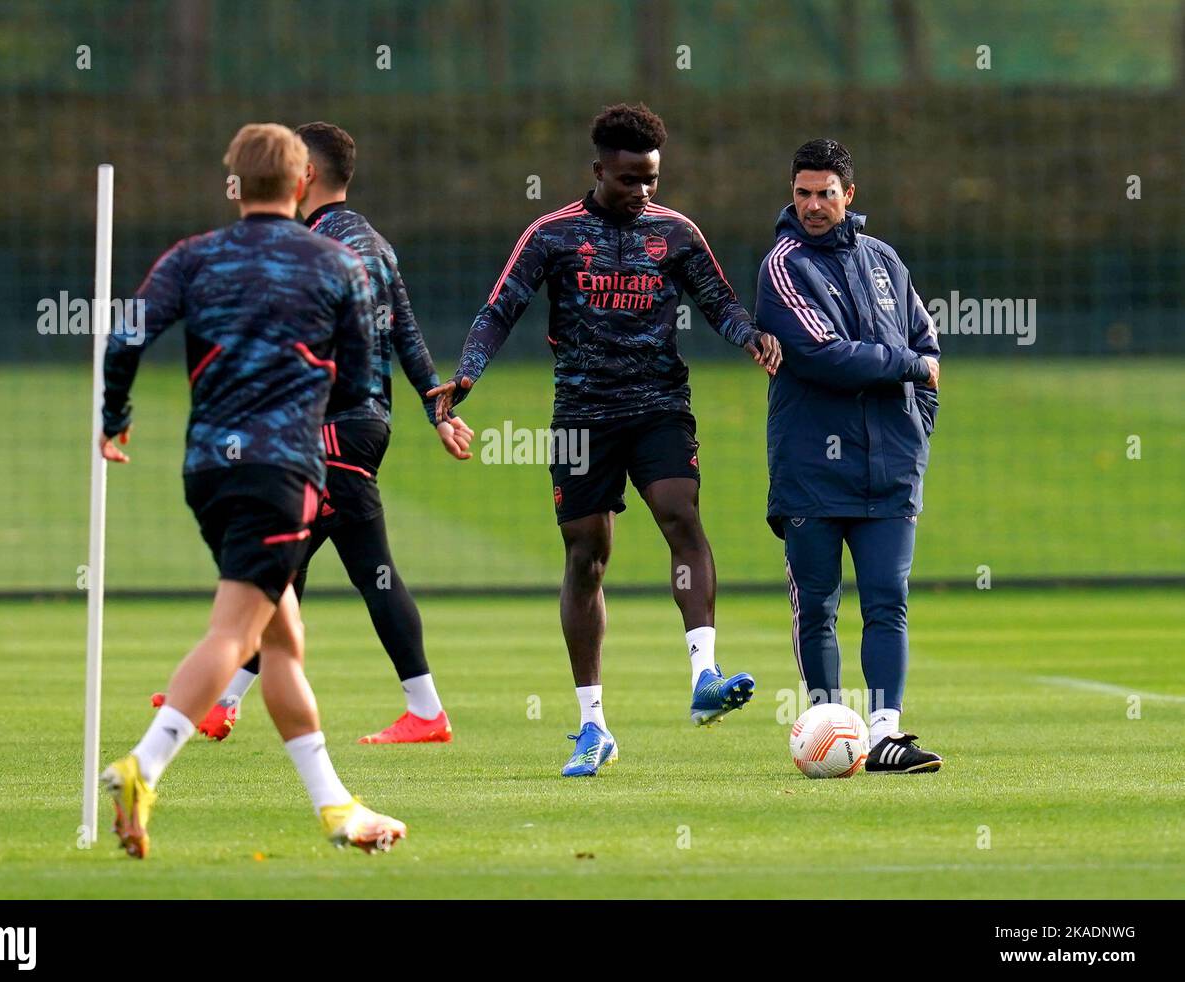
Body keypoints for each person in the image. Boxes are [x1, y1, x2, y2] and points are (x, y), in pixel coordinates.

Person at [430, 103, 782, 778]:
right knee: (587, 556)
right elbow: (499, 307)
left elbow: (719, 300)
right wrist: (466, 375)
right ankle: (593, 726)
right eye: (628, 179)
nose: (641, 190)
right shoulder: (552, 234)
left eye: (650, 177)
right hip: (581, 415)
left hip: (660, 407)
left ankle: (704, 674)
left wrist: (750, 338)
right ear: (599, 171)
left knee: (681, 515)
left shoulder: (676, 233)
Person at [100, 123, 407, 858]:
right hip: (283, 471)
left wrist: (115, 420)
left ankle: (336, 809)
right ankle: (144, 765)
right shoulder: (340, 265)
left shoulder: (192, 257)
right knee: (235, 630)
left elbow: (126, 336)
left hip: (207, 469)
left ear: (233, 185)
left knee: (283, 641)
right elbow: (365, 382)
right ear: (302, 184)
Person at [160, 121, 473, 745]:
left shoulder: (322, 251)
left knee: (361, 565)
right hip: (359, 425)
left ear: (303, 174)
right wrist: (437, 407)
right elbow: (405, 336)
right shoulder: (373, 243)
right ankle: (223, 700)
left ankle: (427, 711)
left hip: (331, 427)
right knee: (286, 561)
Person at [754, 138, 943, 773]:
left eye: (824, 193)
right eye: (802, 192)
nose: (812, 204)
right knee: (820, 605)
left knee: (888, 599)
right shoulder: (783, 265)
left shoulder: (885, 259)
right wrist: (910, 367)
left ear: (849, 195)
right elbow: (826, 356)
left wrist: (917, 431)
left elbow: (927, 342)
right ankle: (829, 725)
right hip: (812, 467)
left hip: (889, 466)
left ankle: (886, 734)